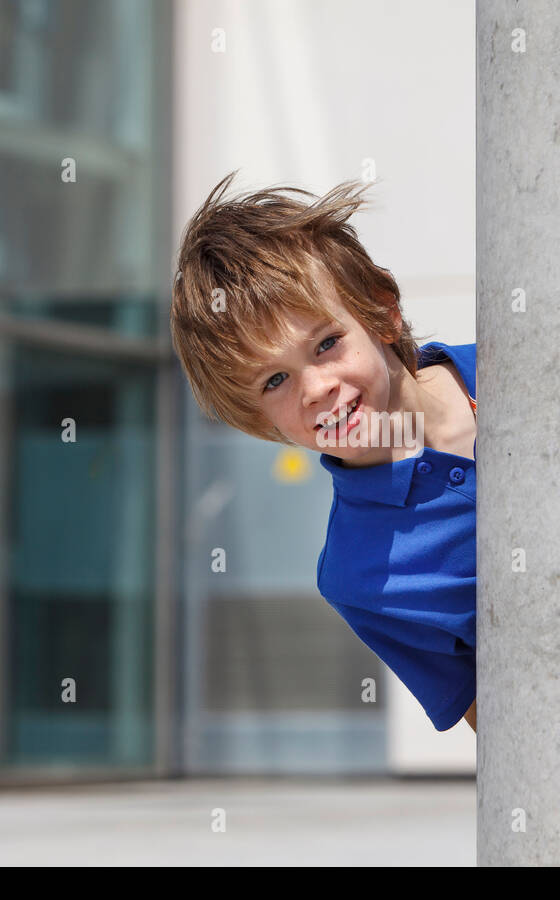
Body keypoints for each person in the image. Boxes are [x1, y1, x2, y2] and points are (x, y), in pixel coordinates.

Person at [171, 170, 478, 733]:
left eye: (326, 344)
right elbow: (513, 739)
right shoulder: (358, 578)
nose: (315, 389)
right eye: (274, 382)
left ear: (381, 311)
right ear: (257, 421)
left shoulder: (527, 364)